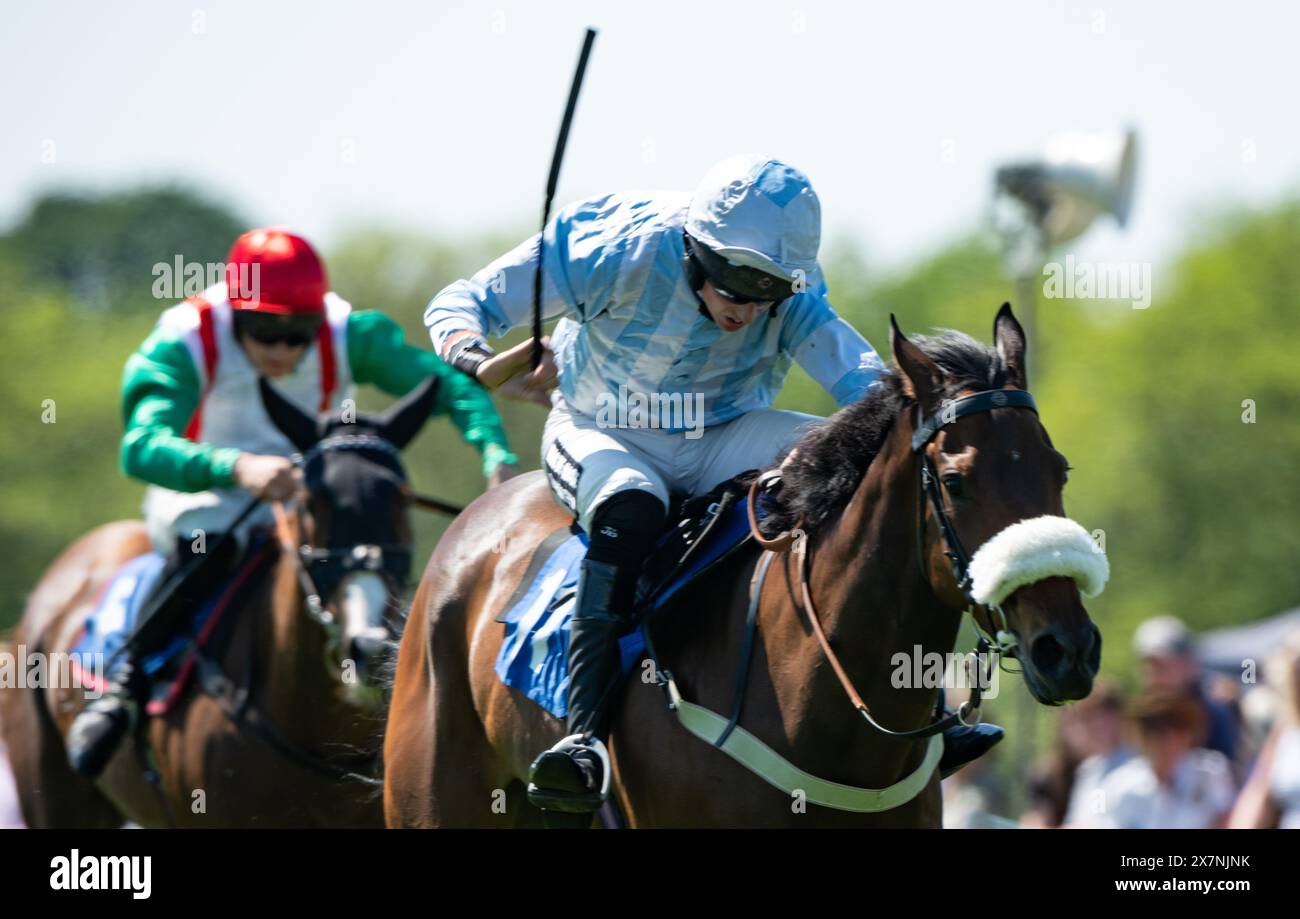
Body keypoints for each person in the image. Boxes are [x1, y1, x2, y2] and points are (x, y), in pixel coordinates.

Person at [424, 154, 1005, 816]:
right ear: (695, 245)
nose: (748, 306)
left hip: (724, 432)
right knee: (630, 507)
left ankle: (926, 702)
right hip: (603, 426)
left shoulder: (792, 296)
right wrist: (479, 360)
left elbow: (871, 389)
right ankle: (583, 740)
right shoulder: (613, 244)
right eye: (733, 280)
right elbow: (458, 303)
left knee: (863, 467)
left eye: (768, 289)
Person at [66, 228, 520, 777]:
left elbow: (451, 385)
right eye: (264, 331)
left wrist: (494, 450)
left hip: (315, 488)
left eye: (299, 335)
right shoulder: (184, 342)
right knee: (214, 544)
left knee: (373, 542)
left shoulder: (349, 332)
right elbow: (140, 448)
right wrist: (235, 466)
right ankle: (125, 687)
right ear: (234, 313)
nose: (282, 350)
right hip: (207, 490)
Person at [1081, 689, 1235, 829]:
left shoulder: (1211, 771)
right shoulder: (1120, 785)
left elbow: (1228, 819)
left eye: (1177, 727)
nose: (1168, 739)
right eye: (1155, 729)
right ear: (1141, 737)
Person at [1133, 615, 1239, 761]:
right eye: (1149, 665)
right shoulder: (1143, 715)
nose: (1153, 673)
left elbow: (1227, 764)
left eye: (1161, 665)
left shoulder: (1212, 710)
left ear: (1186, 662)